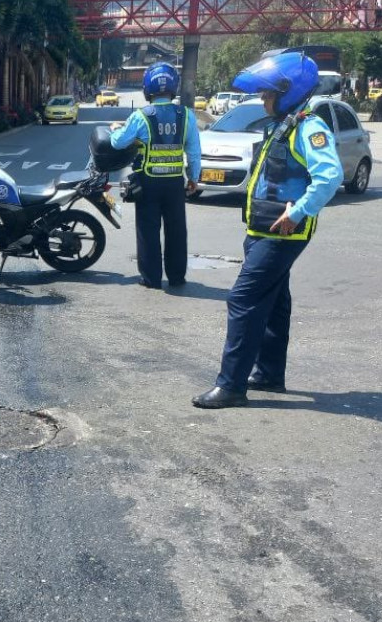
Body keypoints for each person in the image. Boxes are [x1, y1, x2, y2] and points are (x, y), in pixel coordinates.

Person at [192, 52, 343, 409]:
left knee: (243, 299)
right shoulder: (285, 123)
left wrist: (300, 210)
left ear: (288, 91)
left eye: (268, 93)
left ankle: (231, 385)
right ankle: (270, 373)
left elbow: (330, 176)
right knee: (274, 301)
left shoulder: (309, 127)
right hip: (265, 227)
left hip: (282, 232)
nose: (263, 100)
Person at [108, 62, 202, 288]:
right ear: (173, 88)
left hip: (148, 184)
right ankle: (177, 277)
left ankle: (151, 278)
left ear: (147, 89)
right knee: (177, 231)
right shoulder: (186, 115)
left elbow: (118, 143)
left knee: (148, 230)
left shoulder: (141, 116)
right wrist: (193, 178)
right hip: (174, 184)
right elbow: (194, 152)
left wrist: (115, 129)